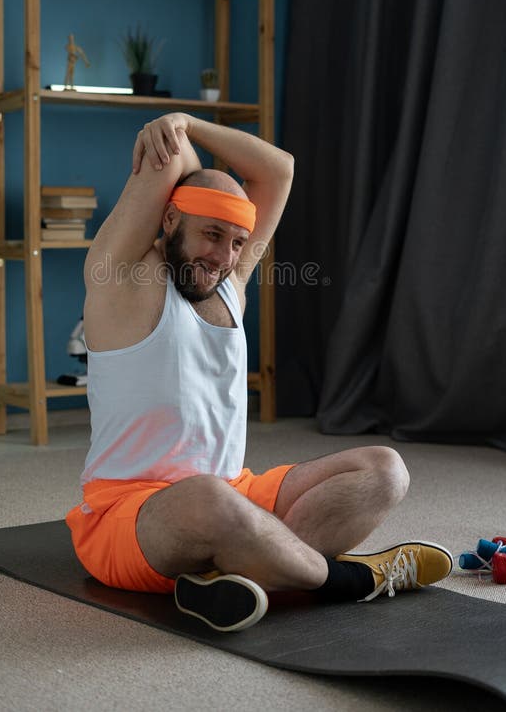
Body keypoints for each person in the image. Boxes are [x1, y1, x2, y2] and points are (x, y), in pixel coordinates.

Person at [66, 112, 452, 632]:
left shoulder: (231, 285)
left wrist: (189, 122)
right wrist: (173, 135)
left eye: (236, 242)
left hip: (236, 492)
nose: (224, 257)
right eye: (211, 235)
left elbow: (279, 171)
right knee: (208, 498)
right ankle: (350, 580)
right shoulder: (120, 281)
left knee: (385, 469)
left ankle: (234, 575)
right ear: (170, 219)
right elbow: (173, 158)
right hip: (126, 516)